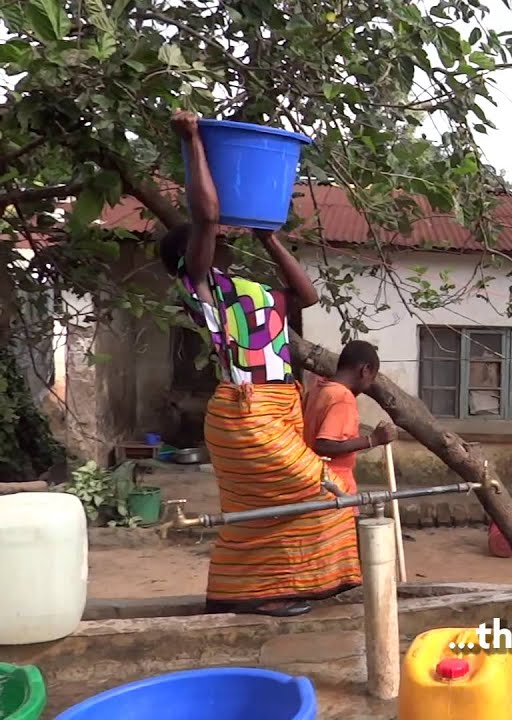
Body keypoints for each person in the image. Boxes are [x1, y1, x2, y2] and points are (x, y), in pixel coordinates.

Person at [161, 110, 361, 617]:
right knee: (322, 485)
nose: (221, 239)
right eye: (211, 240)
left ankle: (264, 592)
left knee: (265, 513)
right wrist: (192, 140)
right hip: (246, 412)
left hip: (281, 408)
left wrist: (269, 234)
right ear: (188, 257)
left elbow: (307, 295)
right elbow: (206, 214)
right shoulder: (199, 285)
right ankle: (269, 590)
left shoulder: (246, 291)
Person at [302, 340, 397, 500]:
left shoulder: (318, 389)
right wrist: (373, 439)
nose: (368, 386)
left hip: (313, 482)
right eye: (371, 379)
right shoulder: (342, 397)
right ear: (365, 370)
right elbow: (324, 445)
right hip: (333, 489)